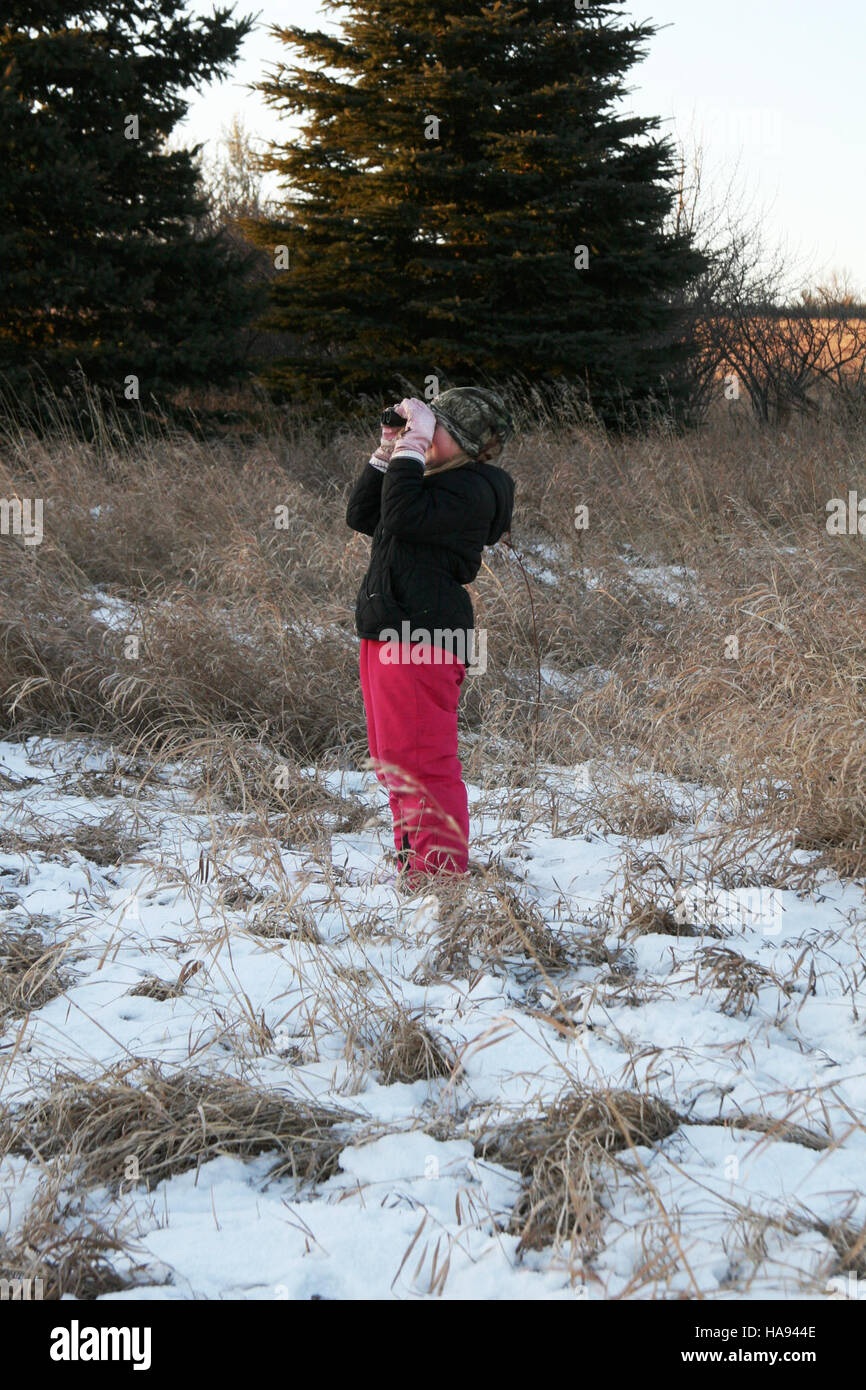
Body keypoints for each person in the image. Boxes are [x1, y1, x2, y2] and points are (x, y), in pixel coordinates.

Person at [346, 387, 516, 883]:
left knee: (423, 764)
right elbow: (363, 515)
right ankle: (414, 862)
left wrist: (410, 451)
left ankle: (438, 877)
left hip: (425, 636)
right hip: (387, 628)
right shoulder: (421, 479)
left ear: (460, 441)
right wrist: (387, 450)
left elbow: (399, 515)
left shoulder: (473, 489)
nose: (418, 435)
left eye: (431, 426)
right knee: (395, 762)